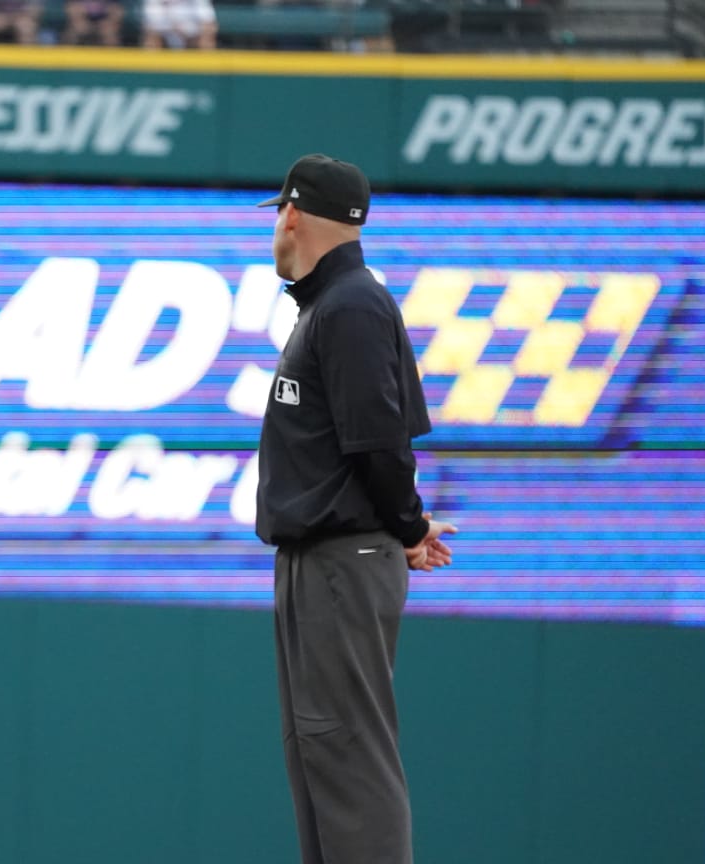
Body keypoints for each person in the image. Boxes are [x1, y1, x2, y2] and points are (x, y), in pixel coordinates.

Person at [253, 153, 458, 864]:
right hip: (322, 561)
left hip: (345, 559)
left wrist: (405, 525)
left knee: (348, 756)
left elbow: (381, 443)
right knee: (318, 758)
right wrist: (405, 523)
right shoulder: (333, 305)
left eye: (277, 213)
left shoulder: (352, 306)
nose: (274, 228)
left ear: (293, 214)